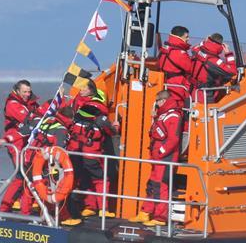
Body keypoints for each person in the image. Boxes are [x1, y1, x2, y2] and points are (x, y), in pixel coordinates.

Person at [129, 90, 183, 226]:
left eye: (157, 101)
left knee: (161, 186)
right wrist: (153, 118)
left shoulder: (174, 116)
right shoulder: (161, 116)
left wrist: (161, 151)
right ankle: (146, 212)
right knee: (152, 185)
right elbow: (153, 133)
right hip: (157, 157)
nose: (156, 104)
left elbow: (173, 139)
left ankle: (160, 217)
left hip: (165, 158)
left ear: (163, 101)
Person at [67, 96, 117, 219]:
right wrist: (116, 126)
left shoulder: (77, 116)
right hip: (91, 155)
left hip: (75, 154)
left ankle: (86, 207)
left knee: (84, 180)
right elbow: (112, 132)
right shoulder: (101, 119)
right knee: (101, 181)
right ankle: (103, 209)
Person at [0, 80, 38, 213]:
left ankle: (25, 207)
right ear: (17, 91)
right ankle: (5, 207)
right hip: (16, 144)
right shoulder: (13, 105)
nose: (27, 94)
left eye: (29, 91)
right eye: (24, 91)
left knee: (29, 176)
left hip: (28, 144)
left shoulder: (30, 103)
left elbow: (38, 116)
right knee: (21, 176)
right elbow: (30, 119)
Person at [191, 33, 238, 102]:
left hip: (192, 91)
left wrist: (205, 42)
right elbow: (232, 71)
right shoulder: (214, 61)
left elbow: (196, 47)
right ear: (221, 46)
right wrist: (228, 53)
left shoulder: (196, 50)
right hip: (205, 96)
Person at [157, 26, 195, 104]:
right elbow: (192, 69)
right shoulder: (179, 53)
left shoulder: (165, 49)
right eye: (186, 37)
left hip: (166, 83)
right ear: (179, 37)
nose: (188, 39)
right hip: (177, 86)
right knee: (178, 106)